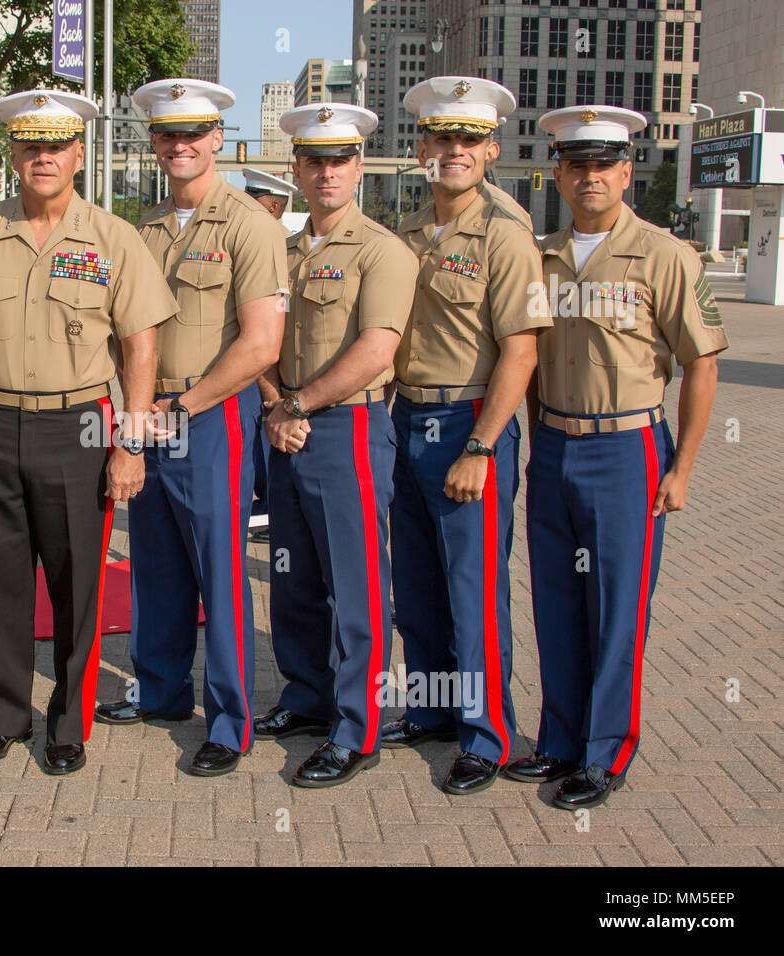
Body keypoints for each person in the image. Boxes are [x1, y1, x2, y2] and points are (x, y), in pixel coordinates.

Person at [0, 89, 175, 776]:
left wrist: (131, 440)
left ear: (77, 154)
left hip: (80, 425)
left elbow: (142, 345)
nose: (43, 156)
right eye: (30, 144)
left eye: (56, 145)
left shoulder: (112, 237)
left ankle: (68, 724)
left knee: (77, 582)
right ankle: (2, 715)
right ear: (11, 152)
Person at [508, 105, 728, 809]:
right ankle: (560, 741)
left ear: (627, 172)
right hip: (554, 448)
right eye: (578, 165)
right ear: (559, 175)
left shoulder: (666, 255)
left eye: (604, 164)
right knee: (555, 602)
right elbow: (534, 363)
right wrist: (542, 444)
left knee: (617, 608)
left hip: (626, 449)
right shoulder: (541, 255)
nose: (591, 177)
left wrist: (684, 467)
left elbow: (702, 365)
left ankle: (606, 753)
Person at [93, 78, 286, 777]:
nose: (181, 146)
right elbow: (123, 330)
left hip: (210, 417)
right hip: (150, 411)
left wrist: (189, 404)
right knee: (157, 562)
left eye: (194, 134)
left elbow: (262, 342)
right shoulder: (141, 228)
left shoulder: (250, 225)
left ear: (216, 141)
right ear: (154, 142)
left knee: (220, 568)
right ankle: (161, 691)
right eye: (168, 135)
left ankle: (230, 722)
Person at [387, 77, 550, 794]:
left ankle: (486, 735)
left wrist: (483, 446)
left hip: (467, 423)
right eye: (439, 139)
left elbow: (522, 350)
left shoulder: (507, 236)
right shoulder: (410, 231)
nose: (451, 151)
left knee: (473, 589)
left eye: (466, 141)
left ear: (489, 151)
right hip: (405, 419)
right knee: (417, 586)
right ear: (421, 148)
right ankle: (432, 712)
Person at [252, 103, 418, 787]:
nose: (326, 171)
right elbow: (254, 337)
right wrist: (273, 406)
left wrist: (296, 405)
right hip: (282, 426)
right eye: (314, 159)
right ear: (296, 168)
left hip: (345, 429)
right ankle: (307, 696)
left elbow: (378, 350)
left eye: (340, 159)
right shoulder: (279, 250)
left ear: (359, 169)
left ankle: (360, 725)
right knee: (293, 578)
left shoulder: (383, 250)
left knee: (355, 585)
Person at [241, 166, 300, 543]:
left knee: (268, 449)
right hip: (252, 374)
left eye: (255, 200)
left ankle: (270, 513)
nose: (246, 205)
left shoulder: (280, 245)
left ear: (275, 206)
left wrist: (272, 392)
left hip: (271, 375)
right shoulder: (252, 239)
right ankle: (267, 510)